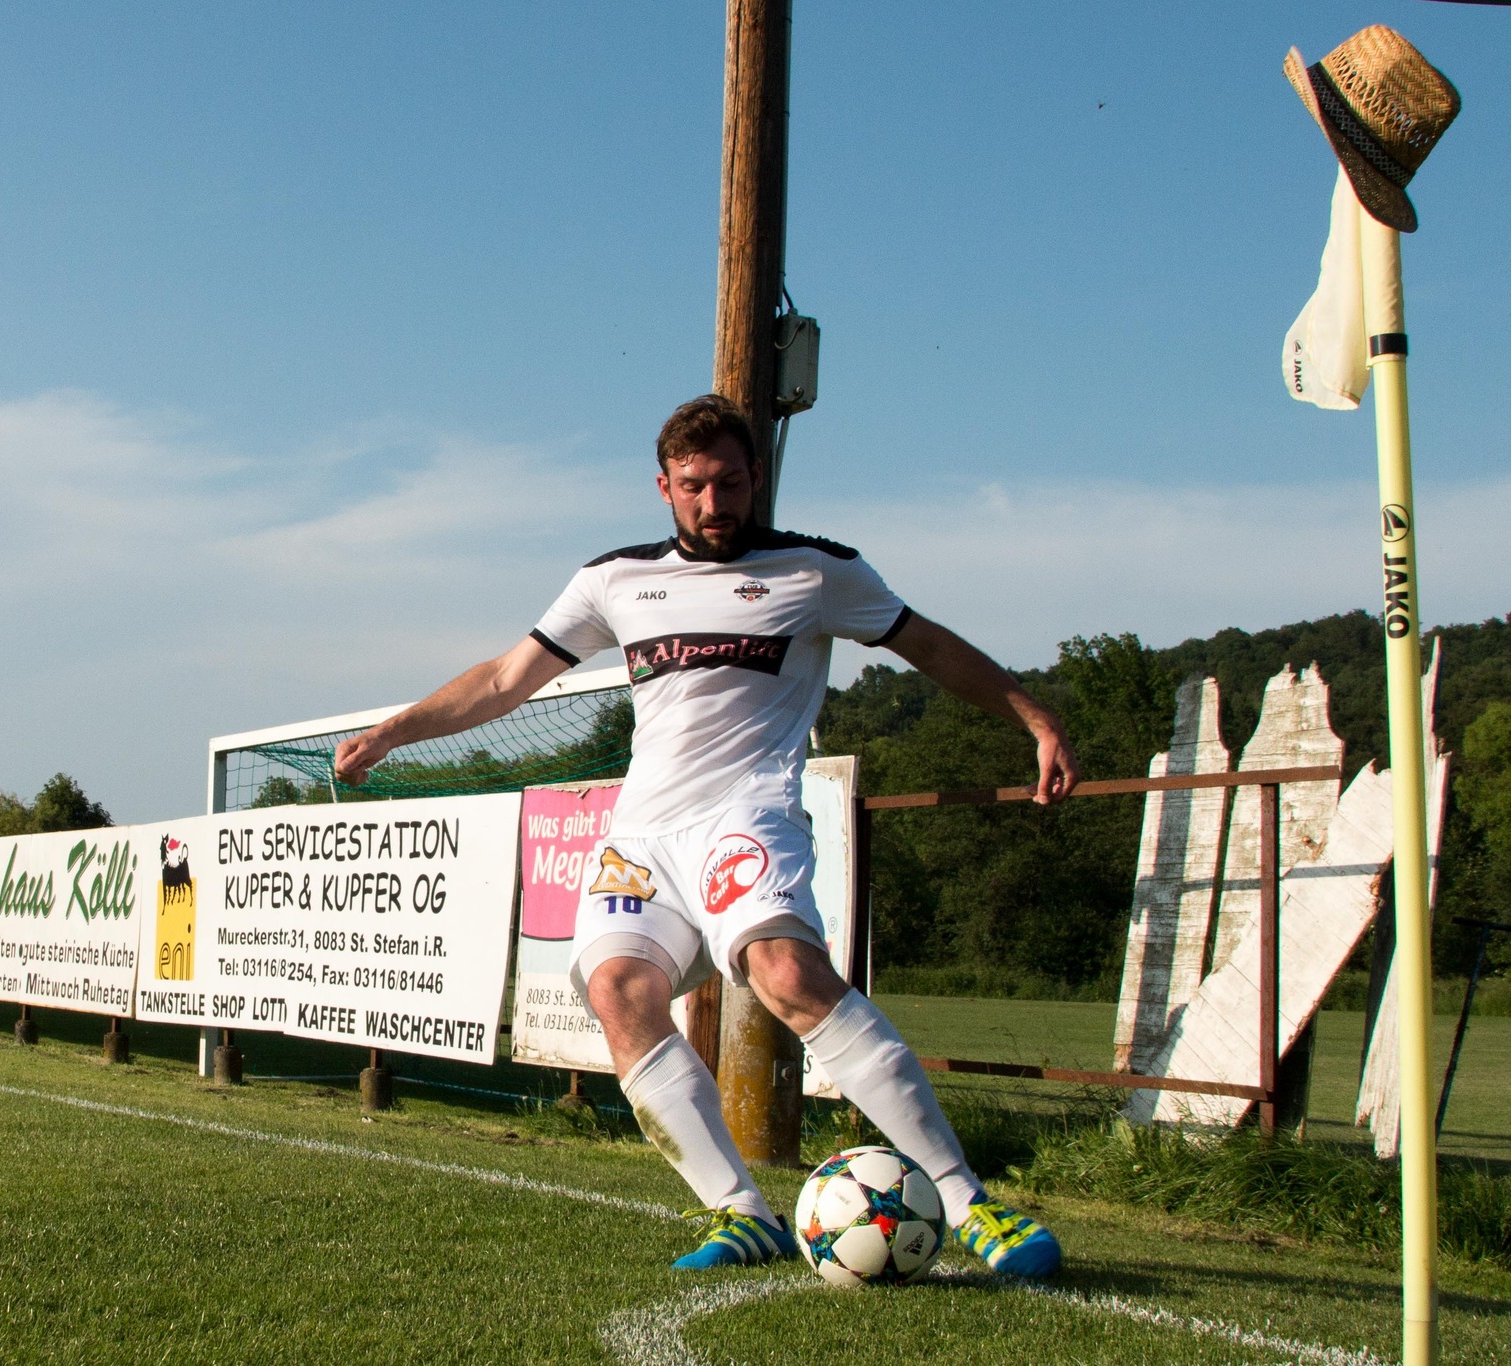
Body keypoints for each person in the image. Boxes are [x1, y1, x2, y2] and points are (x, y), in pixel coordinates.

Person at [334, 395, 1074, 1276]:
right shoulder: (614, 579)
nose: (713, 503)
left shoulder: (816, 571)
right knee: (616, 990)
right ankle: (740, 1212)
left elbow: (931, 649)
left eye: (729, 483)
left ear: (757, 478)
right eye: (693, 486)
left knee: (788, 973)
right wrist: (393, 731)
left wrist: (1034, 719)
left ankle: (967, 1200)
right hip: (643, 833)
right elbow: (503, 679)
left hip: (746, 816)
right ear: (664, 488)